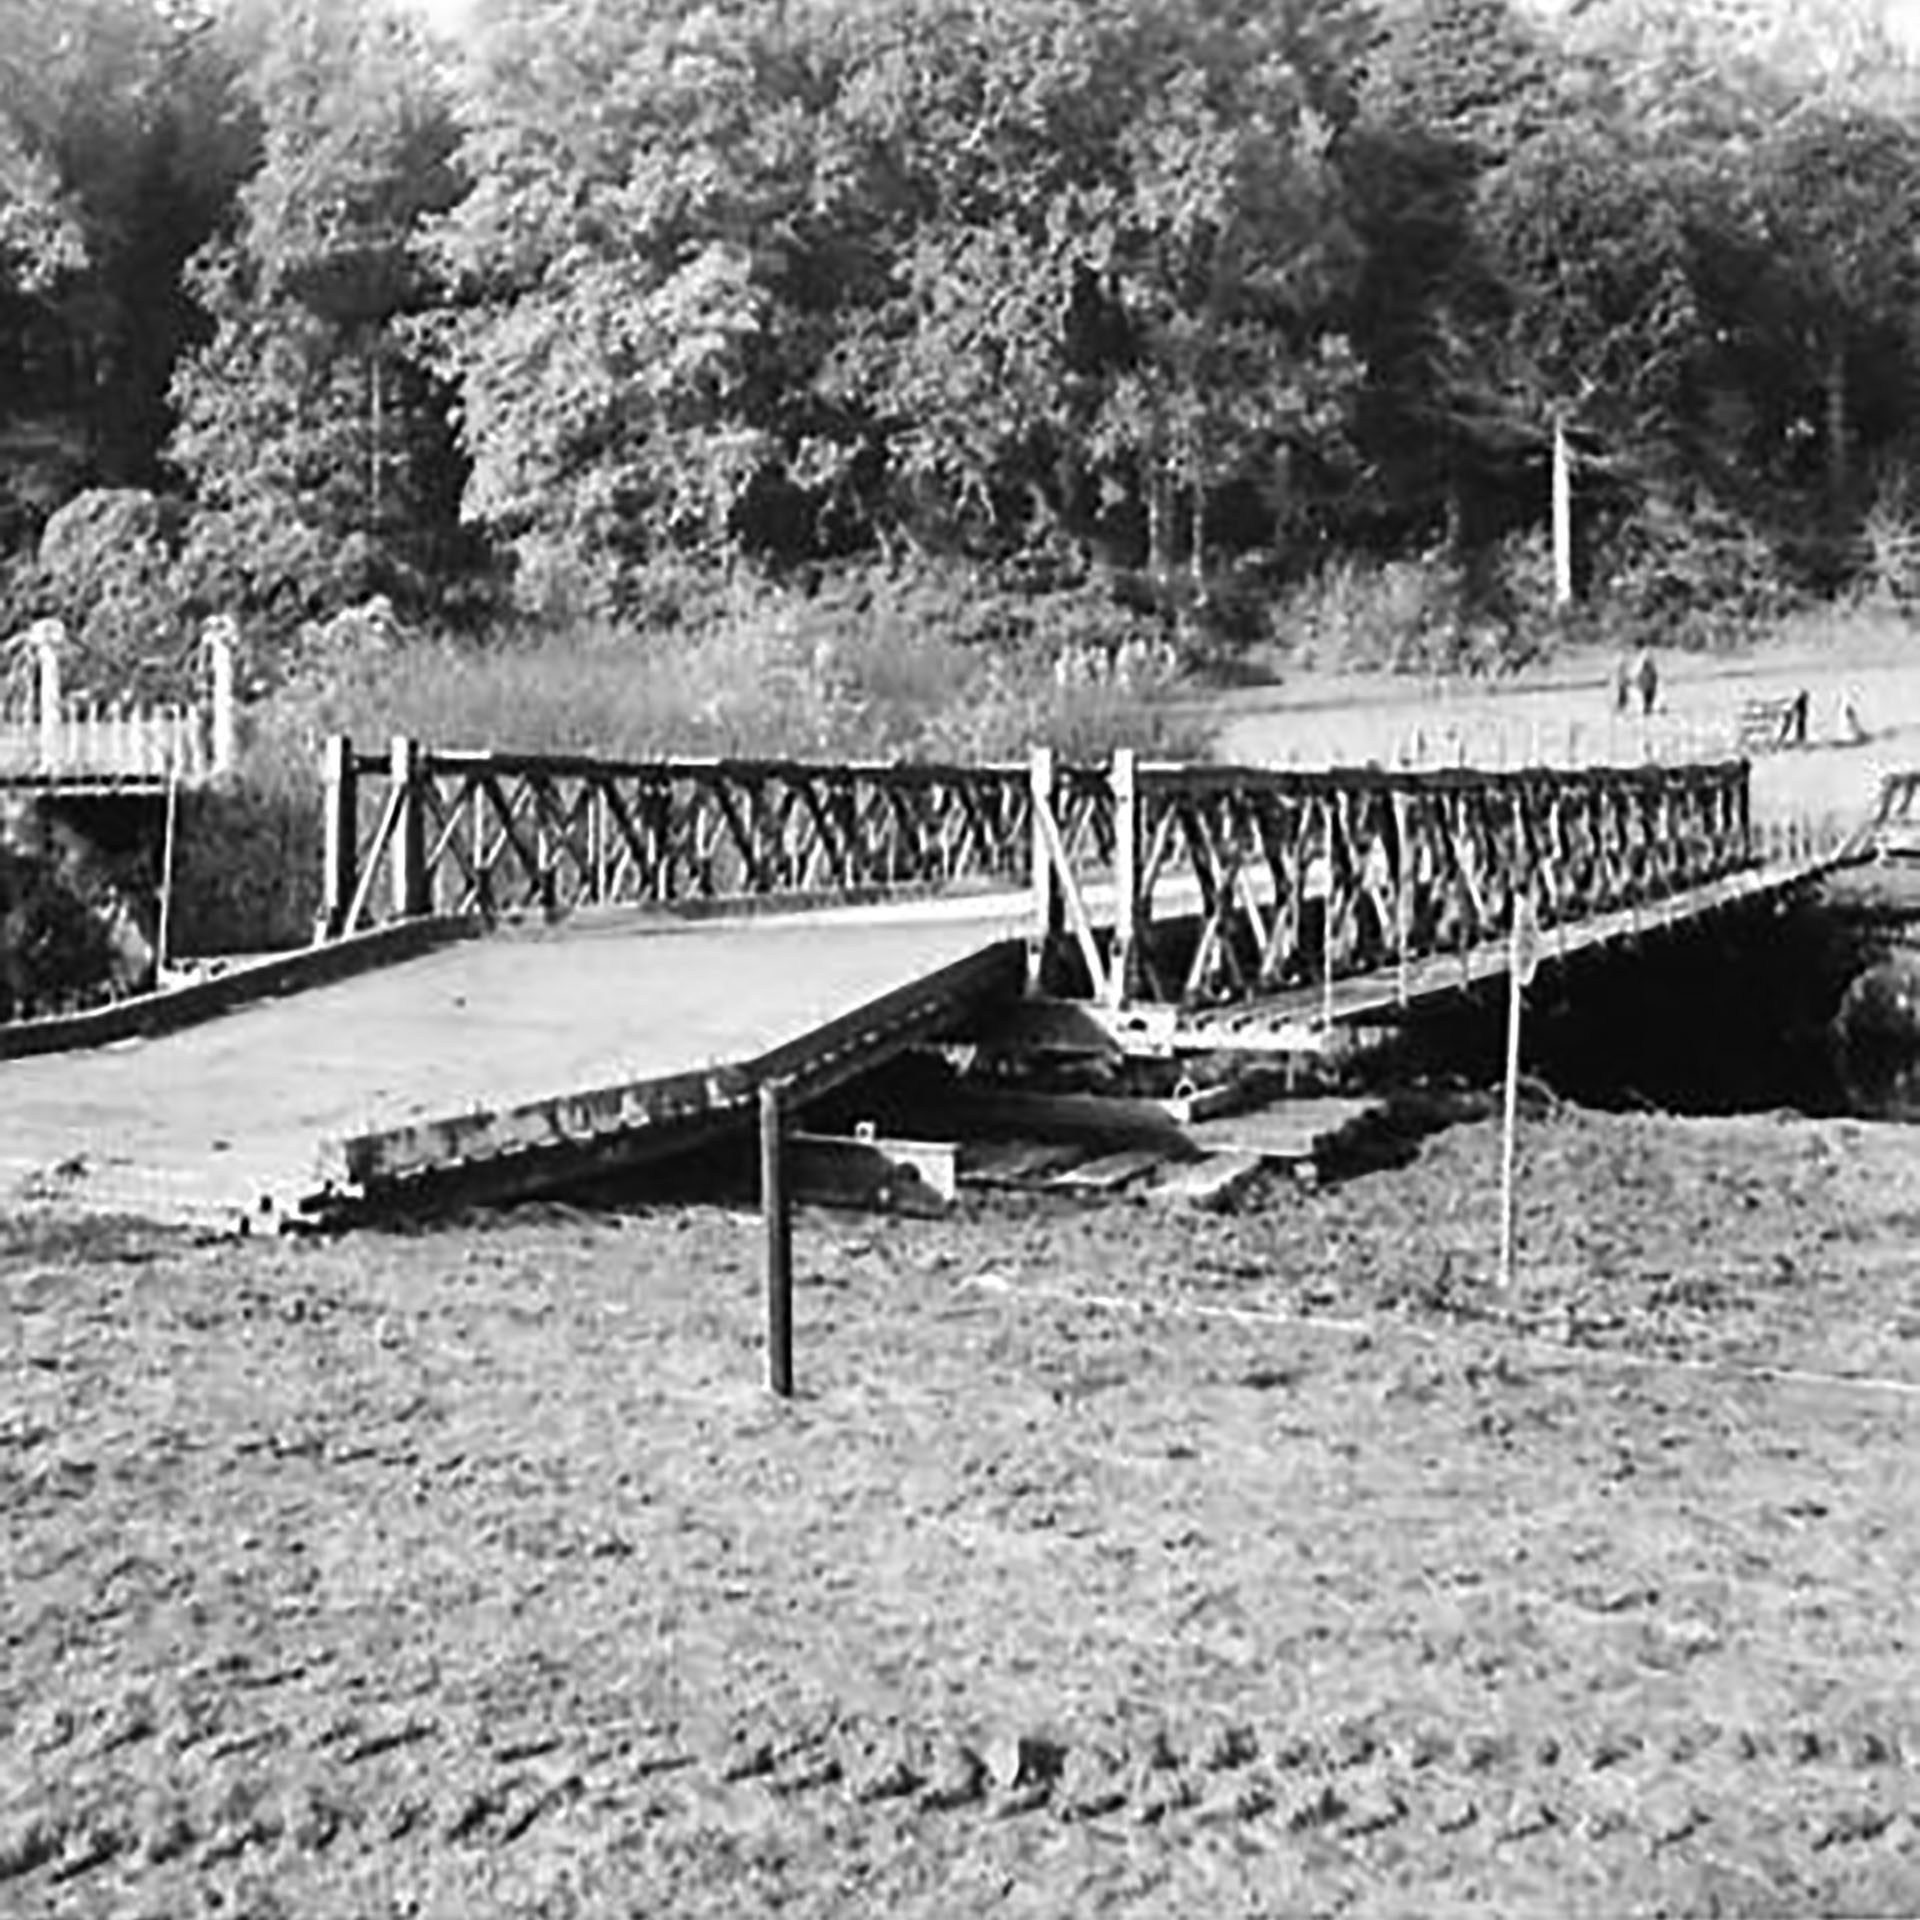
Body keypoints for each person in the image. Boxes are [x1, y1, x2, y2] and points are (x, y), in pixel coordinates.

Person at [1633, 645, 1659, 718]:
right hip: (1648, 687)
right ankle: (1647, 709)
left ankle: (1648, 708)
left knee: (1648, 699)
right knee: (1647, 698)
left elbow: (1655, 677)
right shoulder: (1645, 671)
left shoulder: (1649, 671)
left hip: (1649, 687)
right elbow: (1639, 678)